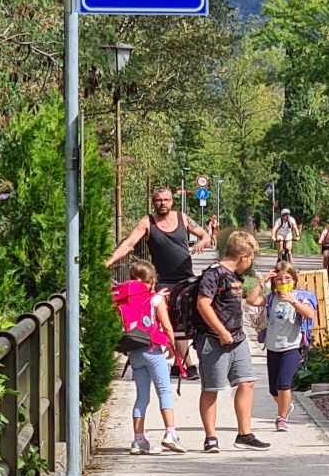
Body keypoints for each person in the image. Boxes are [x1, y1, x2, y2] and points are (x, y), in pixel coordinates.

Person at [105, 186, 212, 378]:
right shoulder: (148, 222)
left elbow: (205, 235)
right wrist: (109, 261)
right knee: (167, 321)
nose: (163, 203)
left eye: (166, 200)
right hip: (162, 281)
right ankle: (185, 365)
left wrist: (202, 241)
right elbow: (129, 244)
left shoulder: (182, 218)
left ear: (172, 201)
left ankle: (179, 365)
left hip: (185, 279)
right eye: (159, 200)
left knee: (185, 323)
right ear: (153, 202)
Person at [194, 230, 271, 453]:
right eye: (251, 258)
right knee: (212, 388)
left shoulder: (235, 275)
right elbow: (203, 304)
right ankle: (210, 437)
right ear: (243, 256)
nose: (250, 262)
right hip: (213, 340)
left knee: (247, 382)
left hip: (238, 339)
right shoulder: (213, 274)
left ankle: (244, 434)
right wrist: (221, 331)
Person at [124, 260, 186, 455]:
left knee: (142, 396)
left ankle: (138, 440)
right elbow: (166, 326)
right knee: (164, 392)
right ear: (151, 280)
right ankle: (171, 434)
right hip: (153, 350)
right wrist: (172, 346)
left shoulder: (126, 299)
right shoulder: (155, 300)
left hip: (134, 352)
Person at [246, 261, 316, 432]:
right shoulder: (271, 298)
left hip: (291, 347)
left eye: (287, 278)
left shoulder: (301, 297)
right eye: (279, 279)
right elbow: (251, 300)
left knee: (284, 384)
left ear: (294, 280)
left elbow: (309, 314)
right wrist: (262, 281)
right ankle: (286, 406)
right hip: (273, 347)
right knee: (273, 389)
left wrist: (294, 302)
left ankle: (281, 418)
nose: (283, 282)